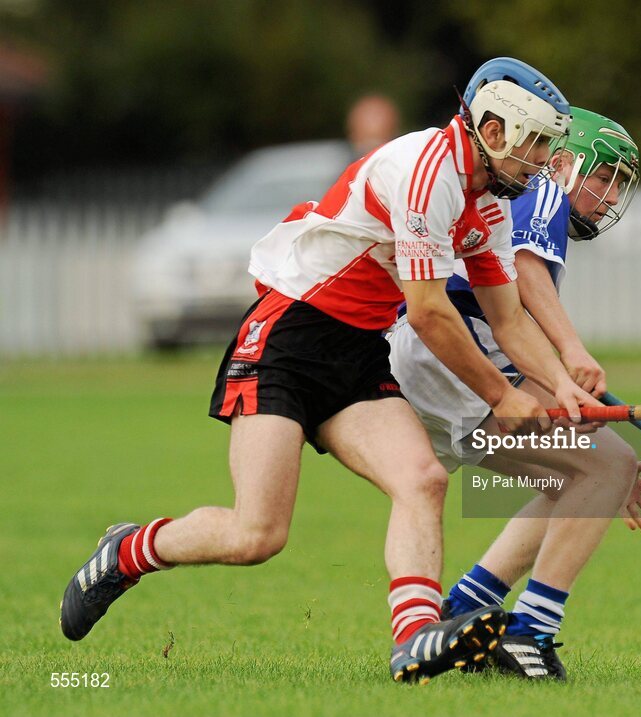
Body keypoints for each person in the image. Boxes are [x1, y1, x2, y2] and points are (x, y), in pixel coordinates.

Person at [58, 57, 601, 685]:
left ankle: (416, 638)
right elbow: (429, 315)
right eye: (534, 143)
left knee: (423, 479)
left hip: (359, 348)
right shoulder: (429, 174)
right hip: (289, 335)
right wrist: (502, 395)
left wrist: (560, 383)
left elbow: (508, 321)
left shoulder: (491, 207)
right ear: (494, 129)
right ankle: (128, 550)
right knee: (256, 534)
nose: (540, 162)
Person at [389, 107, 641, 680]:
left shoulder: (517, 197)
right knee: (600, 469)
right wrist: (573, 354)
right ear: (566, 162)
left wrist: (582, 425)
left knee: (582, 476)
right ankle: (529, 635)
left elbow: (512, 319)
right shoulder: (544, 189)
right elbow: (524, 271)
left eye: (619, 184)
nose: (611, 195)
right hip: (450, 356)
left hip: (436, 361)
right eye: (604, 176)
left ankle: (466, 609)